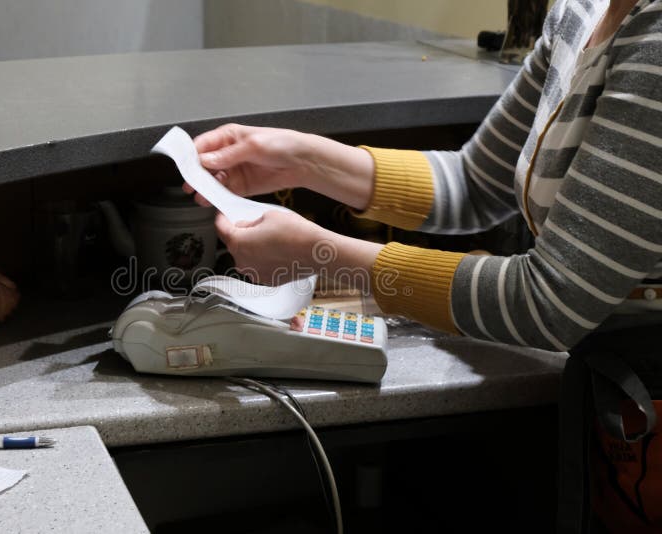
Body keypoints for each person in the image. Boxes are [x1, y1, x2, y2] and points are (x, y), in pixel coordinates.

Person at [184, 0, 662, 531]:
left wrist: (321, 255)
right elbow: (477, 181)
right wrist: (304, 159)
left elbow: (547, 303)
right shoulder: (582, 9)